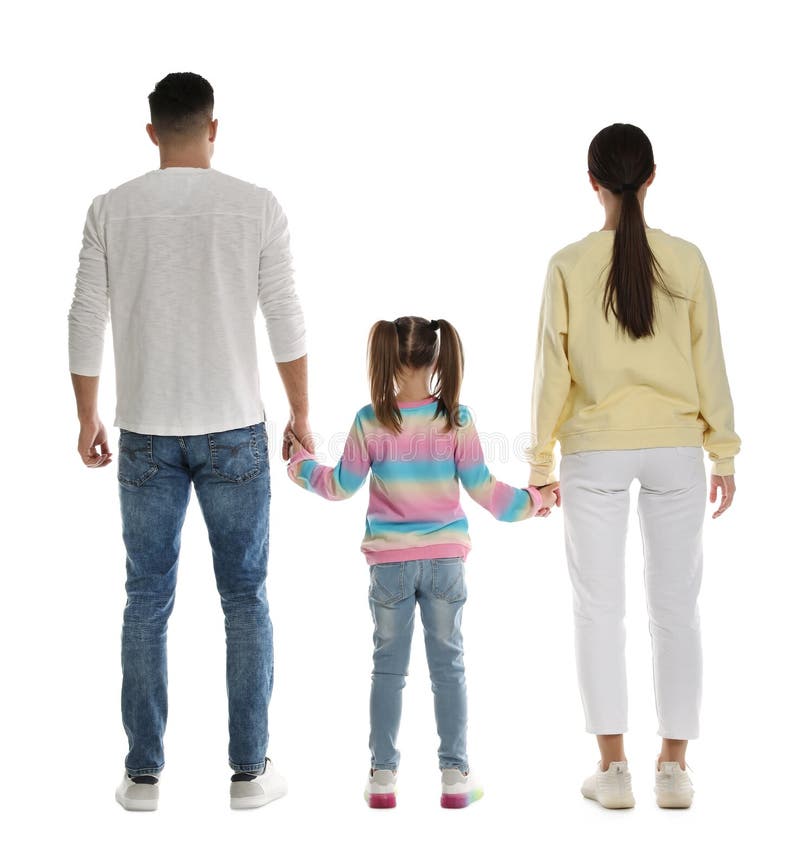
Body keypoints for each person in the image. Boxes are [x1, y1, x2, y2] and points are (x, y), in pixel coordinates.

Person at [67, 72, 312, 811]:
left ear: (151, 133)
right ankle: (249, 772)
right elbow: (287, 317)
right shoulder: (255, 205)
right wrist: (301, 414)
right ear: (213, 128)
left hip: (144, 431)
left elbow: (84, 316)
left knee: (146, 599)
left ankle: (142, 775)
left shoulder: (111, 209)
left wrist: (86, 416)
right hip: (236, 425)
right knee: (246, 597)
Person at [527, 123, 740, 809]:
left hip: (594, 450)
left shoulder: (567, 263)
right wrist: (724, 451)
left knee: (599, 608)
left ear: (593, 183)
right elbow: (710, 362)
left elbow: (550, 373)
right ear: (651, 178)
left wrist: (539, 462)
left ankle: (613, 770)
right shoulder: (688, 259)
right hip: (679, 448)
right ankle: (673, 768)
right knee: (677, 606)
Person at [285, 316, 559, 808]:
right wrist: (535, 501)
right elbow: (488, 493)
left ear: (389, 358)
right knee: (448, 667)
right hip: (445, 564)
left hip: (388, 565)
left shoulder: (371, 419)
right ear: (436, 359)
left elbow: (339, 487)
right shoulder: (457, 419)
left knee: (387, 670)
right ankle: (455, 778)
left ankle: (382, 779)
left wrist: (299, 466)